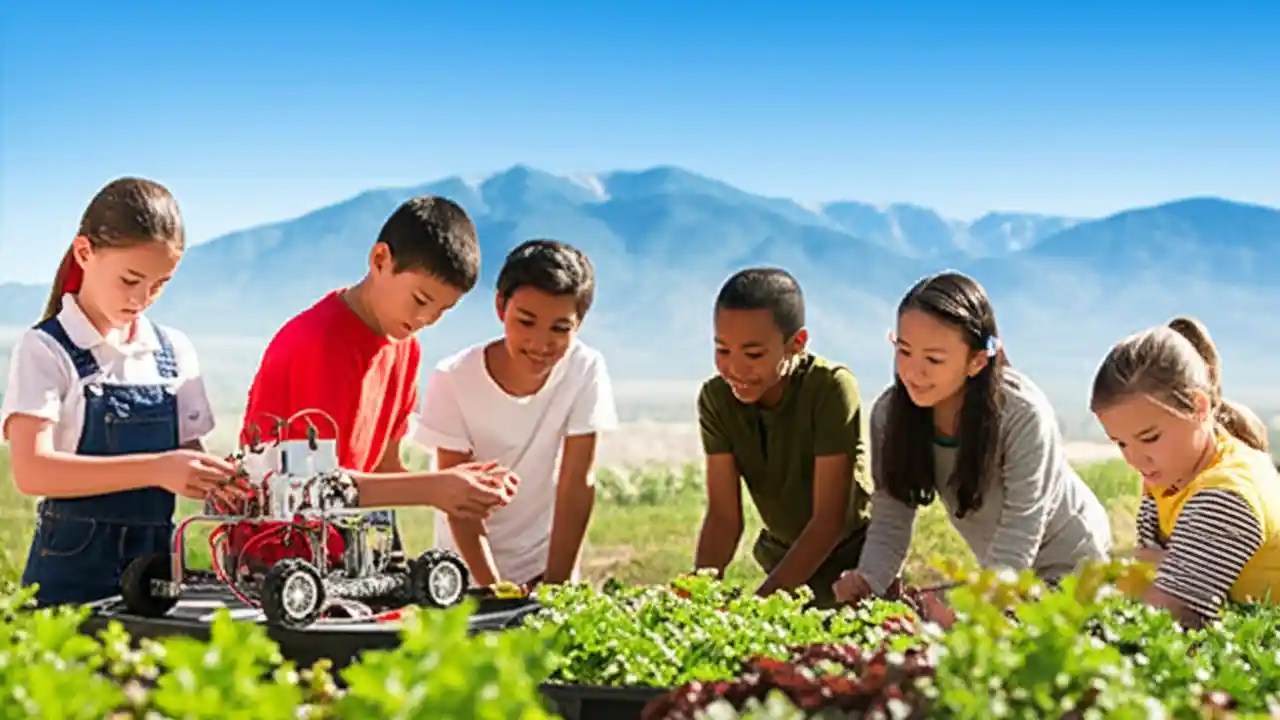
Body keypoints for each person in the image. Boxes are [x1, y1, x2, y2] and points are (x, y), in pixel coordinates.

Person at [1, 177, 242, 606]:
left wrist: (222, 482)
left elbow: (187, 452)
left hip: (153, 577)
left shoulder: (175, 351)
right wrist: (156, 469)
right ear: (84, 253)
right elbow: (32, 471)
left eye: (161, 283)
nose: (144, 298)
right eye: (130, 280)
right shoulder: (46, 349)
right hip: (69, 580)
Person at [239, 195, 518, 539]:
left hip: (343, 553)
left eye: (442, 311)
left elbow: (385, 470)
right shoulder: (320, 342)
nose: (426, 319)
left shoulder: (405, 347)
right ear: (380, 259)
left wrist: (463, 486)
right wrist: (433, 489)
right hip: (275, 554)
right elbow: (309, 487)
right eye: (420, 300)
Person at [833, 271, 1111, 609]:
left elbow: (1020, 528)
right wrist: (868, 580)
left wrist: (982, 610)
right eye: (904, 352)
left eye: (933, 359)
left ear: (977, 360)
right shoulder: (891, 414)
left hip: (1074, 566)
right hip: (1004, 574)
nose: (913, 372)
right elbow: (891, 514)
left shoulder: (1022, 414)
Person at [414, 239, 618, 588]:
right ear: (500, 307)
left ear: (579, 324)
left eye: (560, 328)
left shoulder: (586, 368)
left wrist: (556, 587)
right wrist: (495, 590)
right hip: (465, 577)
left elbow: (577, 482)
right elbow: (458, 500)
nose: (541, 344)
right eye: (526, 322)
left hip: (545, 567)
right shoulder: (453, 378)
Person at [692, 267, 873, 607]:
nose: (735, 368)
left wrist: (761, 605)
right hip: (783, 557)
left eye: (754, 354)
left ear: (797, 343)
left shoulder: (831, 388)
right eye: (722, 350)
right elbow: (724, 518)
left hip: (854, 565)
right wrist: (699, 596)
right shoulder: (717, 399)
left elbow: (829, 521)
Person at [1090, 316, 1280, 627]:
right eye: (1121, 443)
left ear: (1199, 407)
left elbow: (1168, 615)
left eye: (1150, 438)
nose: (1136, 459)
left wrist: (1162, 569)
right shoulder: (1172, 474)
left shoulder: (1226, 495)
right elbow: (1144, 575)